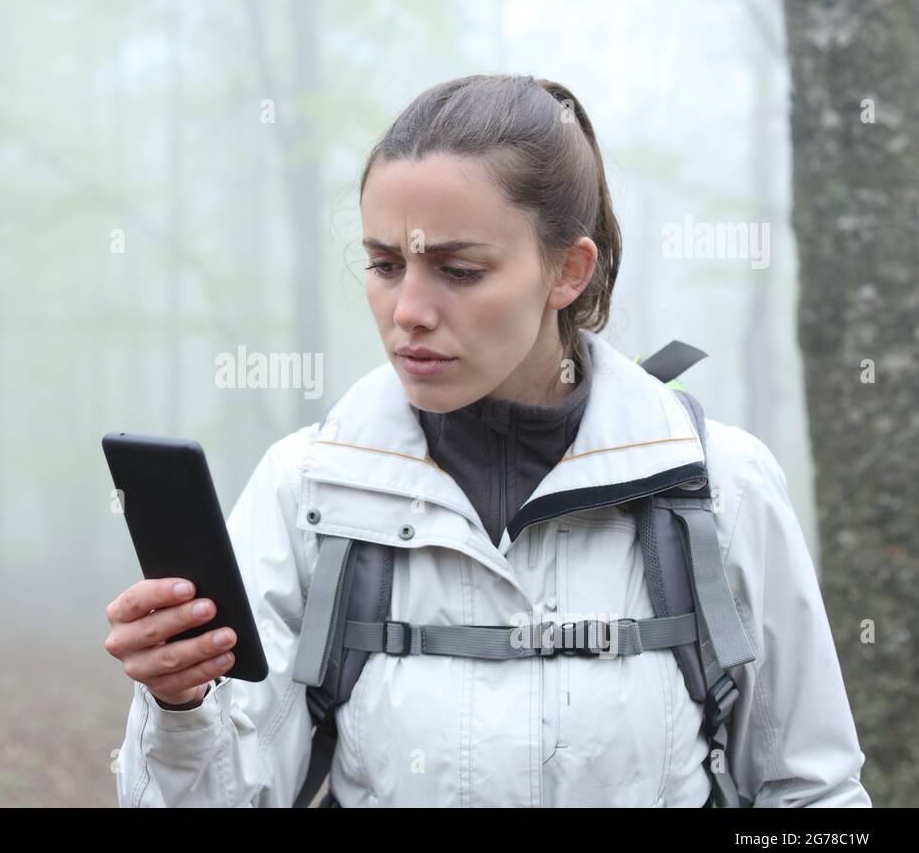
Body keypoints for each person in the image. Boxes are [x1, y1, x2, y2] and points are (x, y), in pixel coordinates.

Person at [103, 74, 871, 807]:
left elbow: (813, 798)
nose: (407, 310)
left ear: (567, 271)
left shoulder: (719, 487)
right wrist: (180, 703)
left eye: (458, 270)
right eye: (383, 264)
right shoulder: (309, 492)